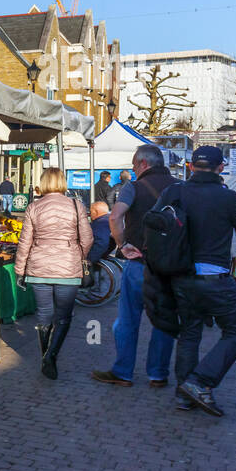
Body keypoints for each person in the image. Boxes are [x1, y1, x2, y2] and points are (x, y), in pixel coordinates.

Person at [152, 146, 236, 415]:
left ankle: (185, 395)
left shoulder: (174, 191)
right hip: (214, 278)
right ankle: (199, 382)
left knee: (189, 333)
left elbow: (154, 222)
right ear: (220, 168)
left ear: (190, 166)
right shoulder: (232, 197)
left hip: (180, 277)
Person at [92, 144, 176, 388]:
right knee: (163, 321)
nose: (131, 168)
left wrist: (123, 243)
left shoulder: (134, 186)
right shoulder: (179, 186)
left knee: (128, 320)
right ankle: (158, 374)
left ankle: (123, 372)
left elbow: (114, 216)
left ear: (143, 164)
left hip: (139, 263)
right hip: (171, 267)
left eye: (133, 164)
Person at [14, 168, 94, 379]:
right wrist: (78, 254)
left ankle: (45, 356)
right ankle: (51, 355)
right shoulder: (76, 205)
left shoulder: (34, 207)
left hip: (39, 265)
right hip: (68, 267)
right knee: (64, 316)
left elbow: (25, 243)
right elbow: (87, 238)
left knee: (44, 314)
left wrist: (19, 269)